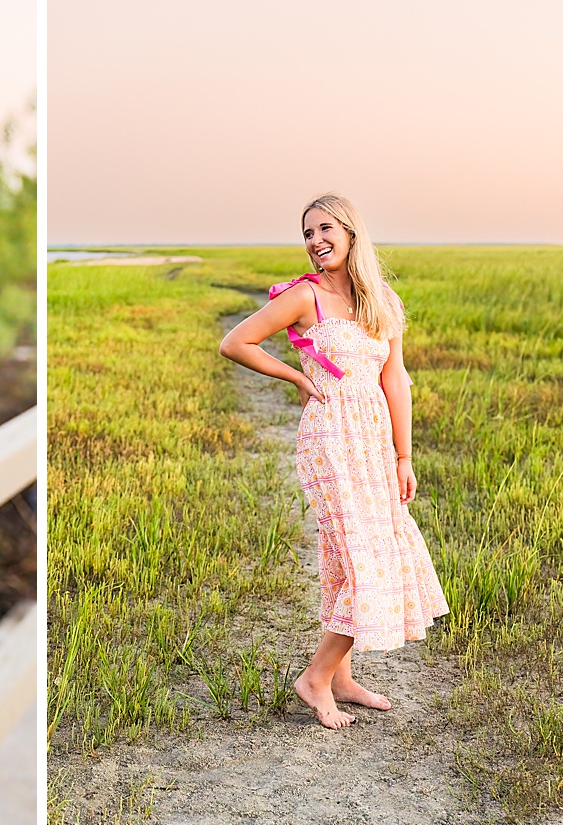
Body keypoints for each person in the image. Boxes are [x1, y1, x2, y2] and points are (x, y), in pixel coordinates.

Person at [219, 193, 449, 729]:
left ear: (350, 233)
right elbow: (237, 342)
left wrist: (404, 454)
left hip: (373, 444)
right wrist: (298, 376)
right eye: (307, 233)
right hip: (330, 441)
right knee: (367, 560)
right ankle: (315, 678)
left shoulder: (381, 300)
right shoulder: (306, 296)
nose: (315, 241)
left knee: (359, 557)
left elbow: (396, 381)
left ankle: (341, 677)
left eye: (325, 229)